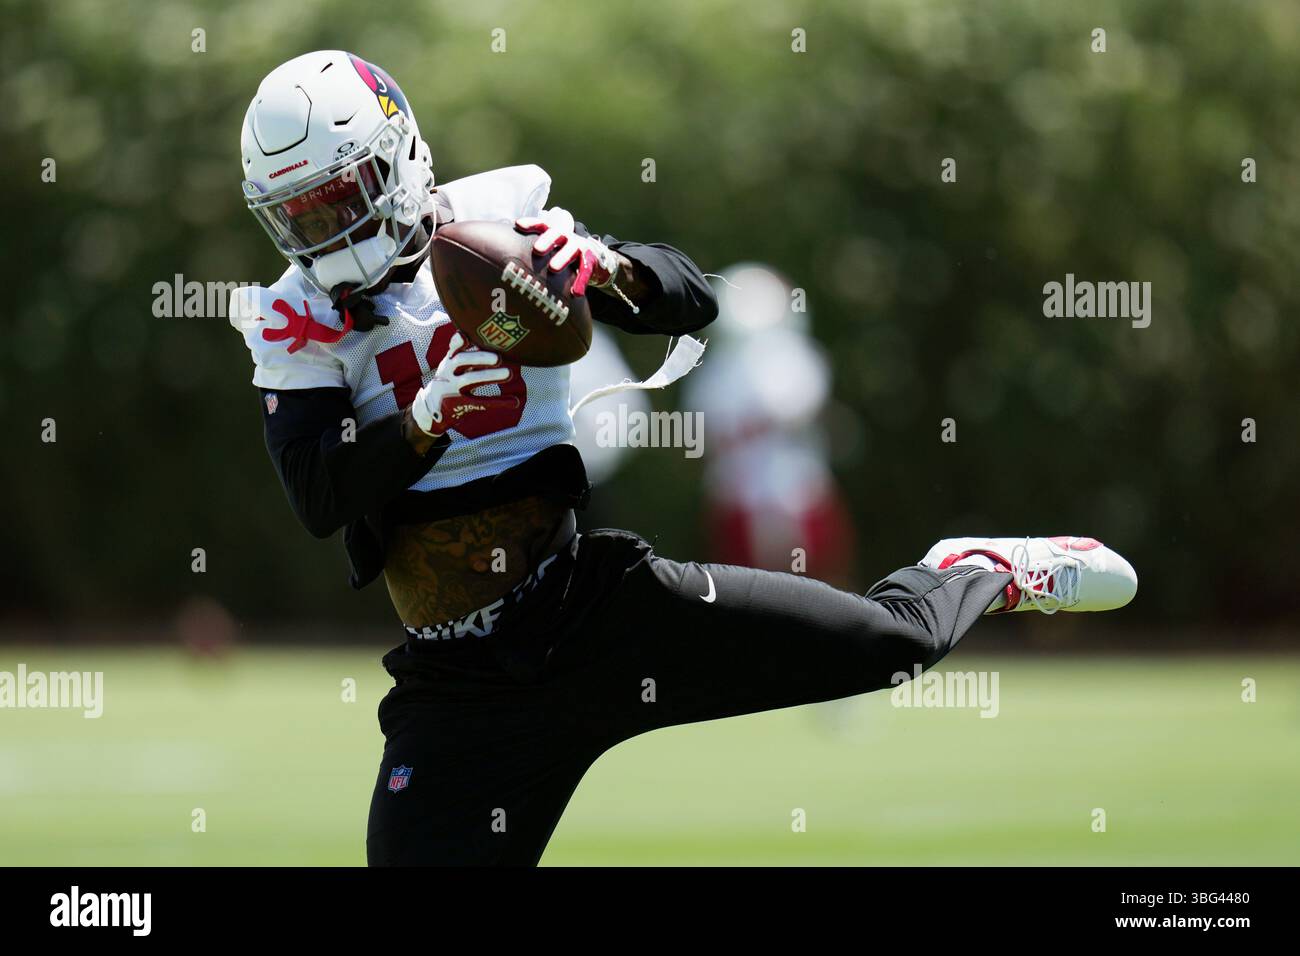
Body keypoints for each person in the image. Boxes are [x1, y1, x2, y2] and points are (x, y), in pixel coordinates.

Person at [229, 51, 1138, 866]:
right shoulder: (294, 318)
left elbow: (693, 298)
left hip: (592, 612)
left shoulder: (497, 221)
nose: (327, 234)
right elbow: (319, 494)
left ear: (396, 158)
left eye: (340, 198)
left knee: (888, 644)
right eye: (299, 217)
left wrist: (602, 266)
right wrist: (424, 420)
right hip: (460, 683)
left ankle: (974, 568)